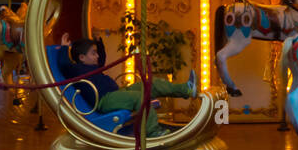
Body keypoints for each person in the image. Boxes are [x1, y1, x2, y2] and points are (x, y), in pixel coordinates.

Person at [58, 35, 196, 137]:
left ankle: (187, 89)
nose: (97, 56)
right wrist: (64, 48)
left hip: (116, 93)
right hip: (104, 100)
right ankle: (153, 131)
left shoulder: (93, 67)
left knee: (151, 83)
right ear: (82, 57)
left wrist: (99, 43)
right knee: (140, 97)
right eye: (93, 53)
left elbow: (102, 60)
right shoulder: (76, 70)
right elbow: (63, 66)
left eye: (96, 52)